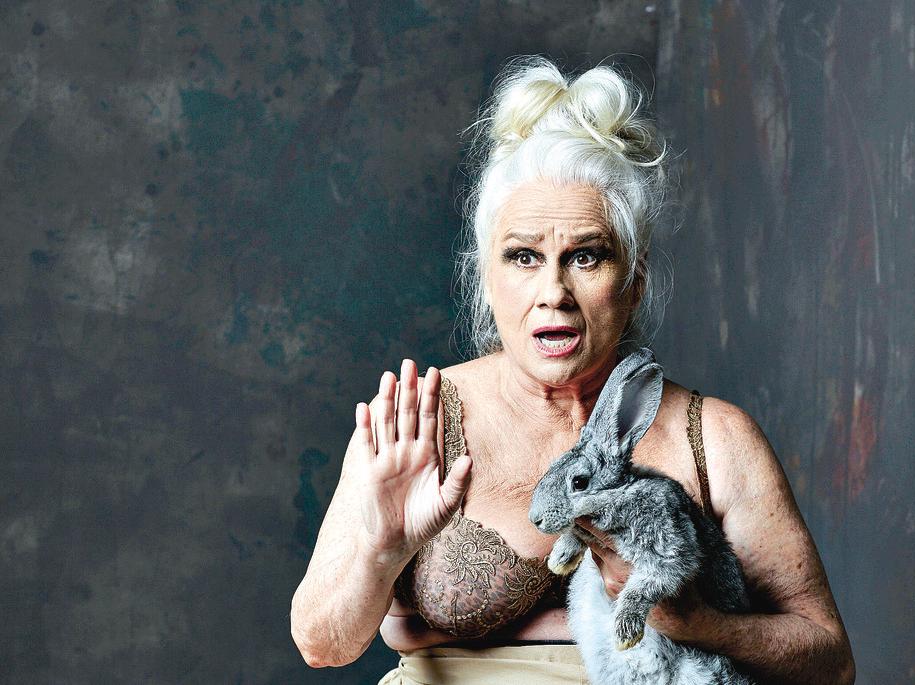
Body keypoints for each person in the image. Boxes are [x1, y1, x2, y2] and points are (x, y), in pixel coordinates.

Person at [290, 55, 856, 684]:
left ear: (634, 280)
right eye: (523, 257)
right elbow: (323, 645)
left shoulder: (714, 440)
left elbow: (830, 664)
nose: (553, 293)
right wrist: (382, 550)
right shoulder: (418, 424)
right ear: (487, 279)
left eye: (585, 257)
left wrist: (698, 622)